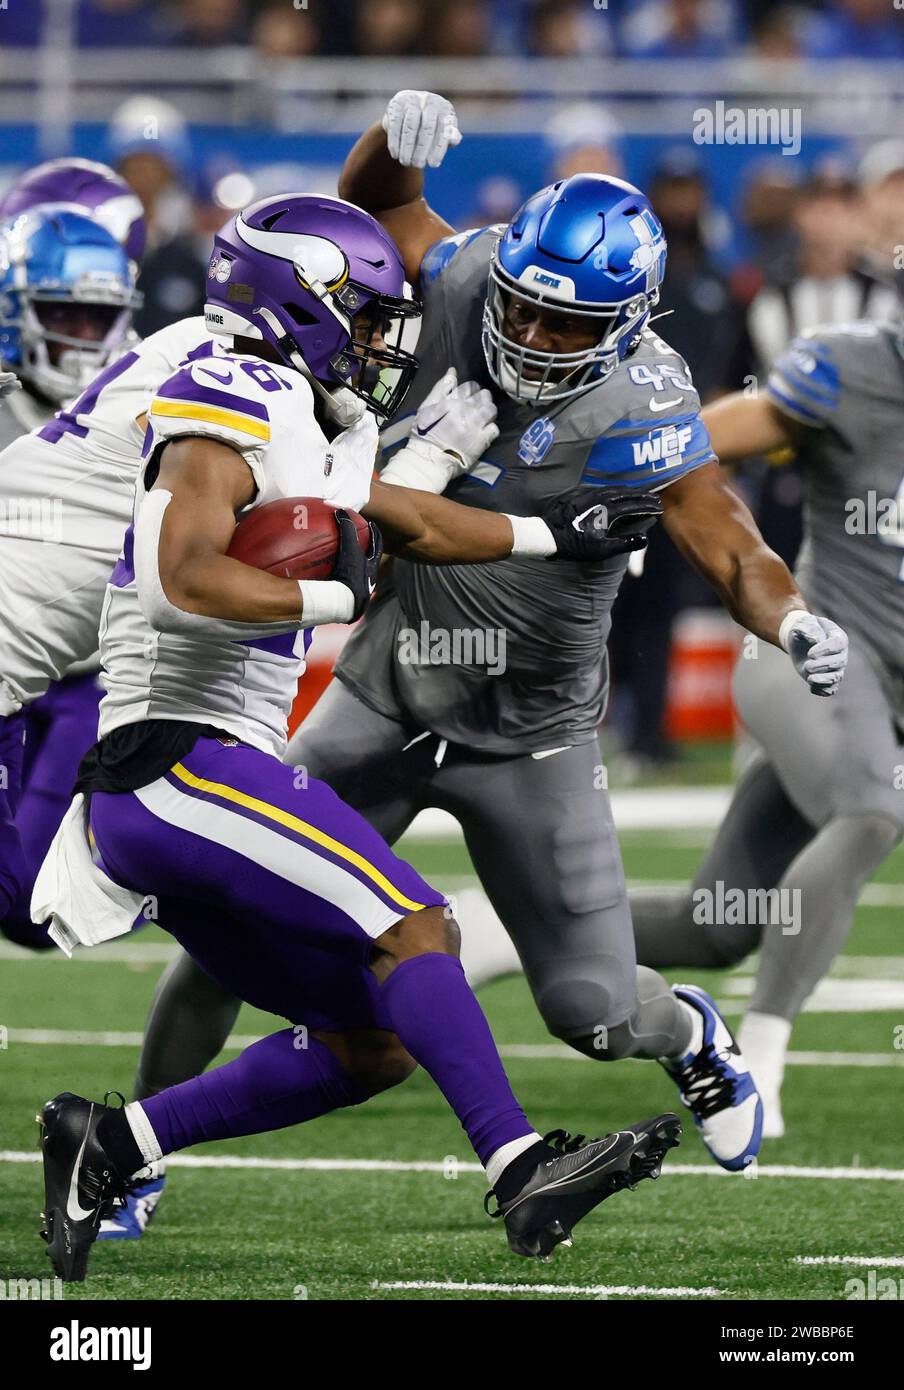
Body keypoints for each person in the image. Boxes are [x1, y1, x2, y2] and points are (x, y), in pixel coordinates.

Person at [124, 93, 852, 1229]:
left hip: (532, 734)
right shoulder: (464, 280)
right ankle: (126, 1157)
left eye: (570, 326)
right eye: (525, 307)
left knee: (591, 1009)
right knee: (225, 931)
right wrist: (387, 133)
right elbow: (364, 208)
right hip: (385, 692)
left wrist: (790, 616)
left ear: (631, 321)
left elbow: (725, 537)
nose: (535, 336)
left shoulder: (648, 399)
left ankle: (690, 1032)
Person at [35, 192, 683, 1282]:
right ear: (302, 299)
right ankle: (522, 1171)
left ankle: (113, 1144)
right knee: (415, 927)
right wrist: (336, 603)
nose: (385, 339)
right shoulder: (228, 387)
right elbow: (181, 576)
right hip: (176, 758)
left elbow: (393, 529)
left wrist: (544, 527)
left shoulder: (297, 401)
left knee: (369, 1043)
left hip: (193, 770)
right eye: (369, 314)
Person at [626, 314, 904, 1136]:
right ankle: (756, 1064)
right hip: (812, 657)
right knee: (873, 811)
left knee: (717, 925)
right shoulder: (857, 368)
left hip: (877, 707)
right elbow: (685, 447)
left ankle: (488, 933)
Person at [0, 190, 141, 952]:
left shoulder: (148, 389)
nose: (85, 335)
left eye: (97, 316)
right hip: (5, 664)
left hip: (91, 673)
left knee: (31, 910)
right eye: (63, 313)